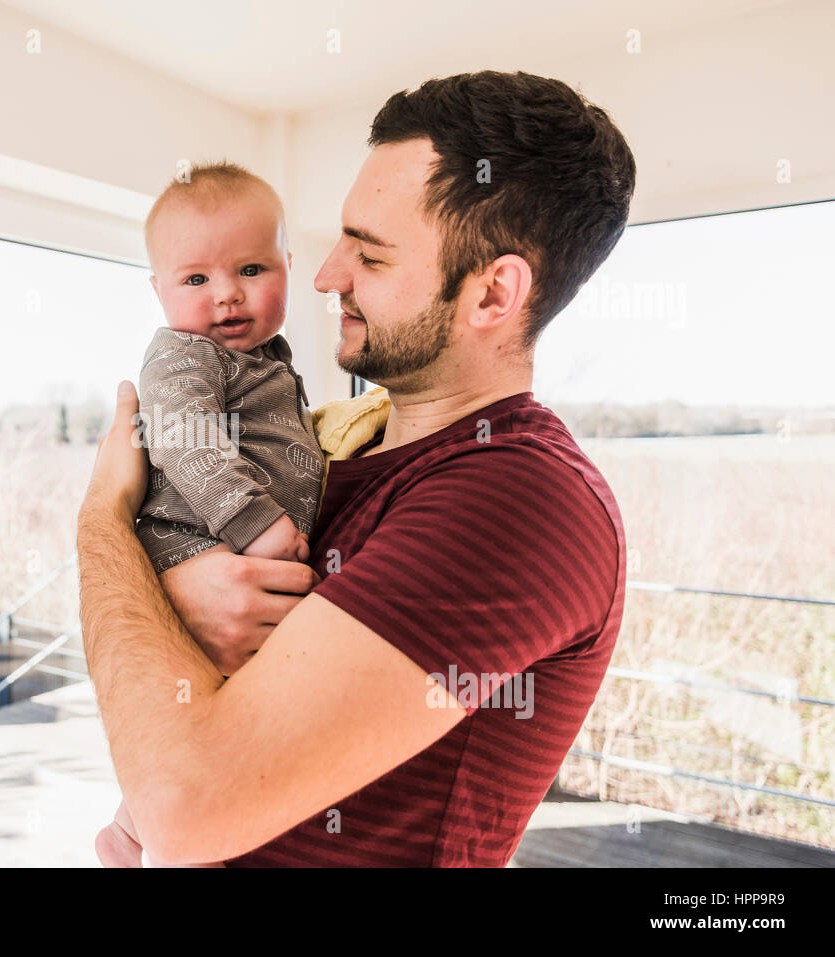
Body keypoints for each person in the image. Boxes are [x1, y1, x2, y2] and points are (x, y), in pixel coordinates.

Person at [80, 70, 637, 867]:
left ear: (492, 294)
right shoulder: (330, 450)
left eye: (369, 254)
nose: (324, 275)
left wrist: (101, 520)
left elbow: (187, 808)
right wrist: (174, 594)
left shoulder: (521, 500)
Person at [101, 161, 325, 867]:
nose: (227, 293)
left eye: (252, 268)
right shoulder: (183, 355)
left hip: (233, 557)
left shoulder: (272, 361)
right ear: (159, 290)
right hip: (189, 544)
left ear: (289, 267)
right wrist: (252, 520)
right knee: (200, 723)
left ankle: (138, 829)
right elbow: (181, 435)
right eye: (196, 278)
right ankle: (161, 839)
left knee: (218, 721)